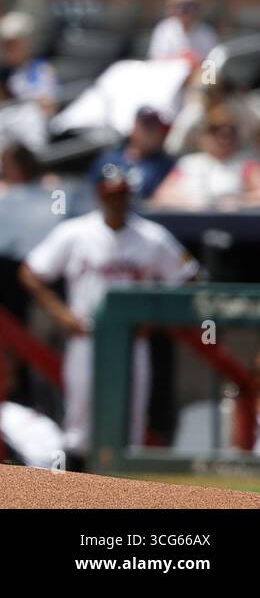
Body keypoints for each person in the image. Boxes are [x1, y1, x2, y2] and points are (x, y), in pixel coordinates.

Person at [20, 166, 199, 467]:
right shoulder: (75, 231)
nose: (118, 201)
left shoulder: (151, 236)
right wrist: (61, 314)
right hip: (88, 336)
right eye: (111, 195)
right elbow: (31, 272)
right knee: (80, 417)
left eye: (122, 195)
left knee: (131, 418)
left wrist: (153, 320)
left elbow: (189, 280)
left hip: (131, 340)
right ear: (99, 195)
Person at [151, 105, 260, 209]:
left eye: (230, 131)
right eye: (215, 130)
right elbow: (162, 195)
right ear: (204, 136)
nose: (224, 136)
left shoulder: (247, 164)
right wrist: (189, 203)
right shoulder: (188, 163)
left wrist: (239, 202)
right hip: (190, 223)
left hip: (233, 224)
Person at [89, 106, 175, 201]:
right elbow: (92, 193)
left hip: (144, 214)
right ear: (135, 127)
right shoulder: (109, 159)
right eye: (147, 127)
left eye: (155, 129)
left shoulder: (165, 165)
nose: (150, 134)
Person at [147, 0, 218, 65]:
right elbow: (156, 59)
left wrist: (195, 59)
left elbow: (212, 61)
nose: (184, 10)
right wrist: (181, 58)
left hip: (197, 73)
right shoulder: (164, 29)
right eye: (179, 6)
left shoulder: (206, 31)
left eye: (189, 6)